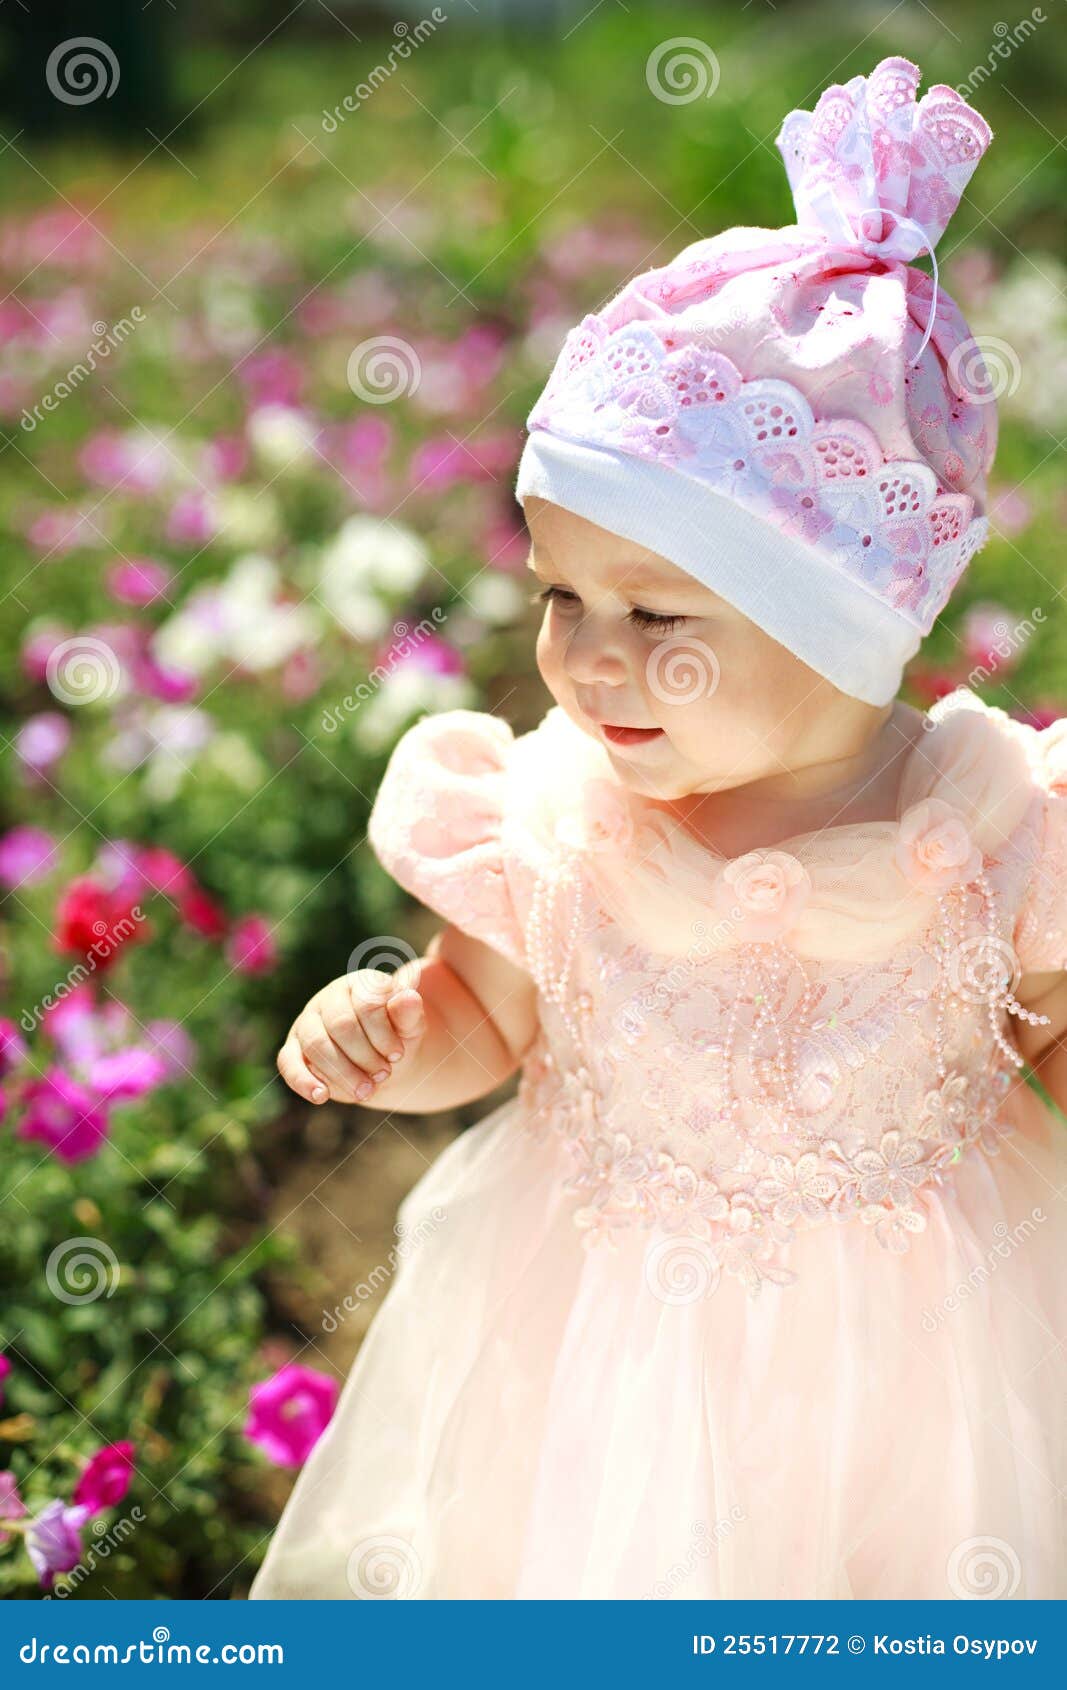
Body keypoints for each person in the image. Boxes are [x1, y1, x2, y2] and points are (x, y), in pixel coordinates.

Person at [249, 55, 1067, 1600]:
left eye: (654, 611)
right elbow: (480, 1015)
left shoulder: (992, 819)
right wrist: (393, 1033)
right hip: (607, 1341)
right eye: (563, 594)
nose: (587, 654)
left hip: (936, 1359)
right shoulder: (556, 812)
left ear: (844, 627)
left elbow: (1048, 1027)